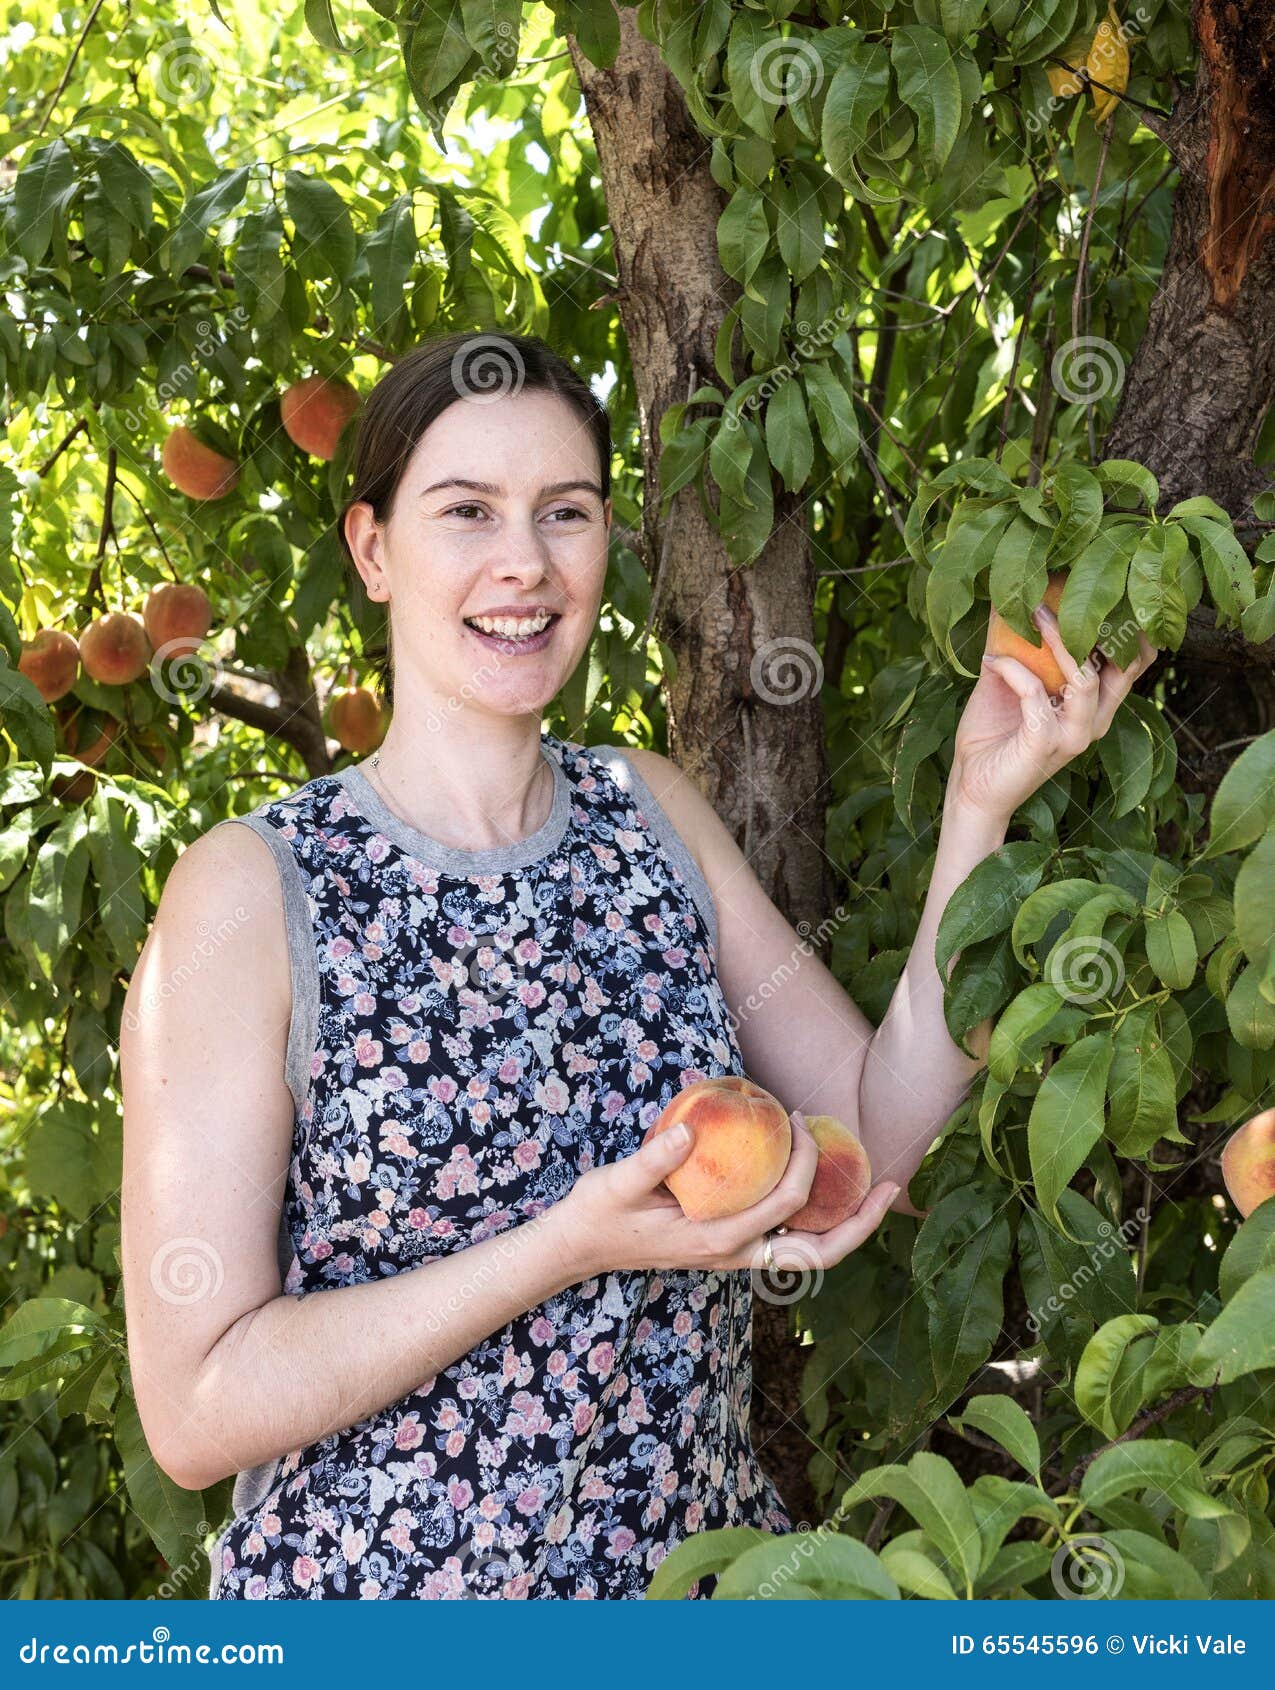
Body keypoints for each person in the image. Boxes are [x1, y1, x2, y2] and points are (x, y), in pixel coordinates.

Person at [119, 330, 1156, 1600]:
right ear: (373, 549)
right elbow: (196, 1408)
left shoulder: (647, 813)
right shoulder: (252, 889)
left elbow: (873, 1132)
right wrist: (569, 1244)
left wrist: (974, 807)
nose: (526, 562)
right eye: (467, 512)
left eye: (567, 512)